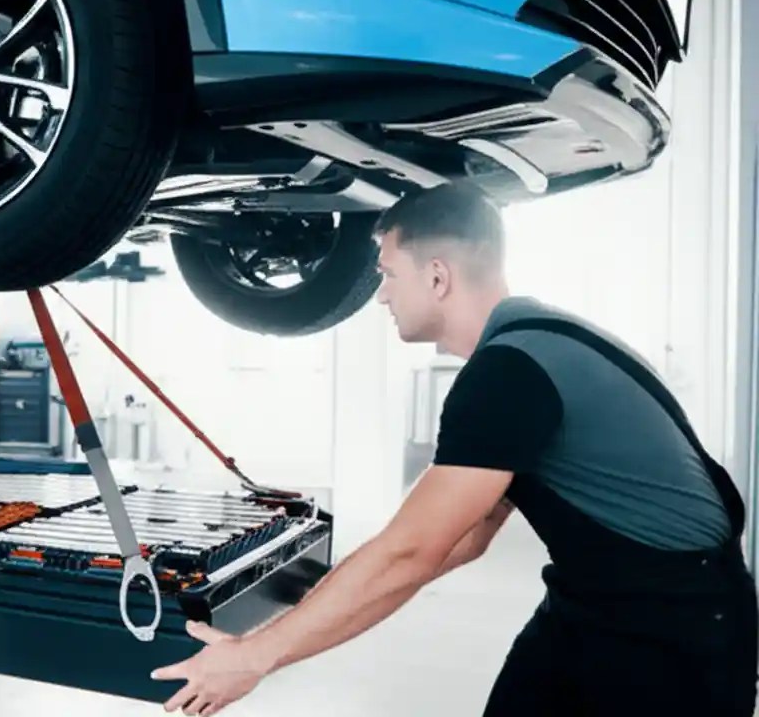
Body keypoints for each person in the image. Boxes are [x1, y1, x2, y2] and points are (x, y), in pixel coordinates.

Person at [150, 183, 758, 716]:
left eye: (387, 274)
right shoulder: (537, 340)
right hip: (600, 605)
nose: (381, 296)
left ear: (437, 276)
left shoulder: (508, 373)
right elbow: (464, 537)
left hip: (674, 635)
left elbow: (413, 551)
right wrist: (307, 611)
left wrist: (255, 657)